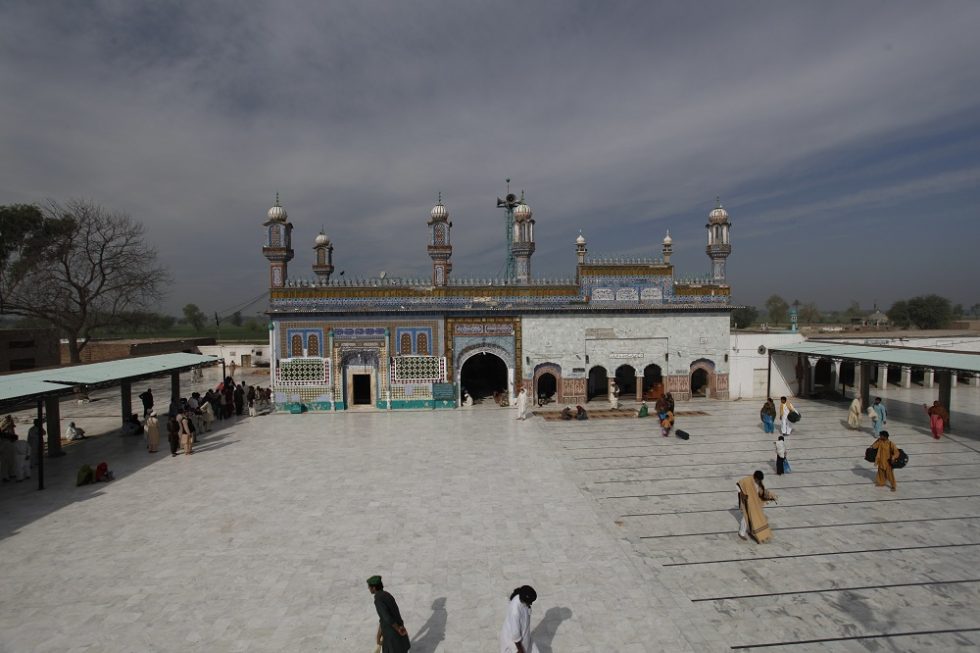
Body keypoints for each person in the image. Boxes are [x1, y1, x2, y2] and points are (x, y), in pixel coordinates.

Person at [366, 575, 410, 653]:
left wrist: (398, 629)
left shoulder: (378, 600)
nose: (368, 588)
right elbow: (384, 617)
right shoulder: (387, 594)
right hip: (398, 629)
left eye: (369, 587)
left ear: (374, 588)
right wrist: (379, 633)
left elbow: (387, 618)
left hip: (391, 635)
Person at [737, 470, 777, 542]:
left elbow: (762, 492)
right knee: (746, 517)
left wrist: (770, 496)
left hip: (754, 502)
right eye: (758, 480)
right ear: (755, 477)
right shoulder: (747, 480)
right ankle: (741, 532)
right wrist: (742, 494)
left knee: (754, 517)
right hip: (747, 502)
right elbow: (738, 485)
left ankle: (752, 531)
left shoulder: (759, 483)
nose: (758, 481)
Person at [500, 585, 539, 653]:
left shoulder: (521, 598)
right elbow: (515, 634)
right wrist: (520, 650)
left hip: (525, 638)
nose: (531, 603)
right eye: (530, 602)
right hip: (515, 646)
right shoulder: (515, 611)